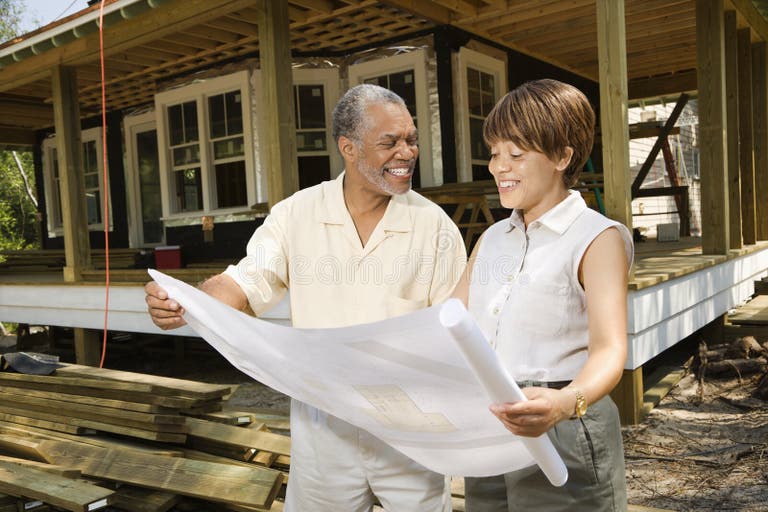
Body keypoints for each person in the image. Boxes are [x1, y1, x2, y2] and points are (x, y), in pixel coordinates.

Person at [145, 83, 467, 512]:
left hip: (409, 427)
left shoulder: (434, 226)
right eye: (390, 142)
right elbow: (245, 283)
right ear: (348, 148)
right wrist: (187, 302)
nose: (406, 153)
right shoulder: (297, 214)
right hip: (324, 425)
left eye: (411, 140)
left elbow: (457, 329)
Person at [452, 79, 633, 511]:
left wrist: (566, 402)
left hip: (564, 422)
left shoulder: (597, 237)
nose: (499, 167)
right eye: (494, 153)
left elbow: (610, 350)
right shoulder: (492, 238)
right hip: (492, 423)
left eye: (515, 154)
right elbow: (450, 319)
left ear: (562, 157)